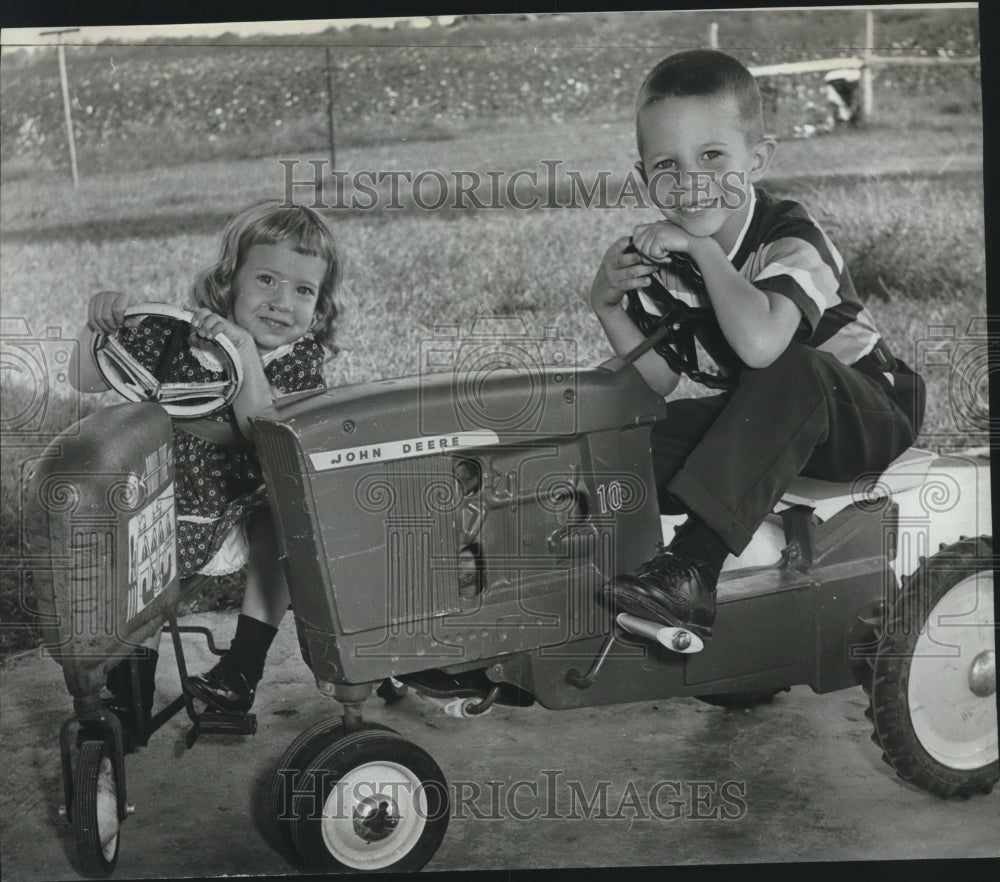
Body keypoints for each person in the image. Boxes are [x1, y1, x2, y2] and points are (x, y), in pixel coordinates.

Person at [589, 50, 924, 640]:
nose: (690, 181)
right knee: (625, 437)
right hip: (767, 427)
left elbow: (763, 347)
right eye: (667, 164)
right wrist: (608, 306)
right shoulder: (666, 261)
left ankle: (694, 566)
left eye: (712, 156)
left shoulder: (791, 237)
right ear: (644, 178)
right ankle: (545, 572)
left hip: (864, 414)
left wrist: (705, 252)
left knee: (793, 364)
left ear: (758, 159)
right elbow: (657, 381)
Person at [71, 199, 341, 721]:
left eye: (303, 290)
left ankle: (240, 670)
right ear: (229, 280)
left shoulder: (298, 358)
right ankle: (131, 690)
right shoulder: (179, 338)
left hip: (249, 497)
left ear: (319, 304)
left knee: (281, 530)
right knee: (140, 562)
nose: (283, 302)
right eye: (266, 279)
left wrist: (242, 352)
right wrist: (95, 327)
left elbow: (262, 431)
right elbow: (85, 378)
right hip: (177, 501)